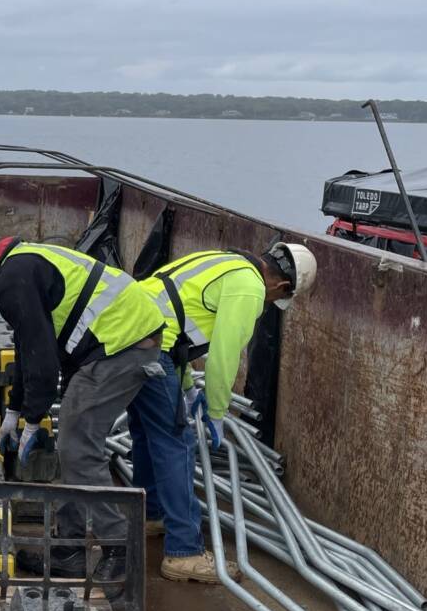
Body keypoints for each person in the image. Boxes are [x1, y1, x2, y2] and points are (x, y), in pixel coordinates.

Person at [0, 222, 167, 593]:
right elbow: (28, 346)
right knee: (70, 447)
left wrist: (34, 419)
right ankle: (69, 549)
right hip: (108, 344)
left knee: (77, 448)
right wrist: (14, 409)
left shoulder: (13, 279)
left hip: (122, 344)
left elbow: (43, 361)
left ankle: (120, 548)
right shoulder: (19, 264)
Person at [127, 242, 317, 583]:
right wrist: (216, 411)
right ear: (282, 287)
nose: (271, 304)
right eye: (277, 300)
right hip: (151, 345)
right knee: (177, 444)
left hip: (131, 335)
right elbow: (224, 355)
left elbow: (177, 318)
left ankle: (150, 513)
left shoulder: (225, 260)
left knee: (145, 431)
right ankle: (184, 552)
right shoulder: (250, 288)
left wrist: (187, 386)